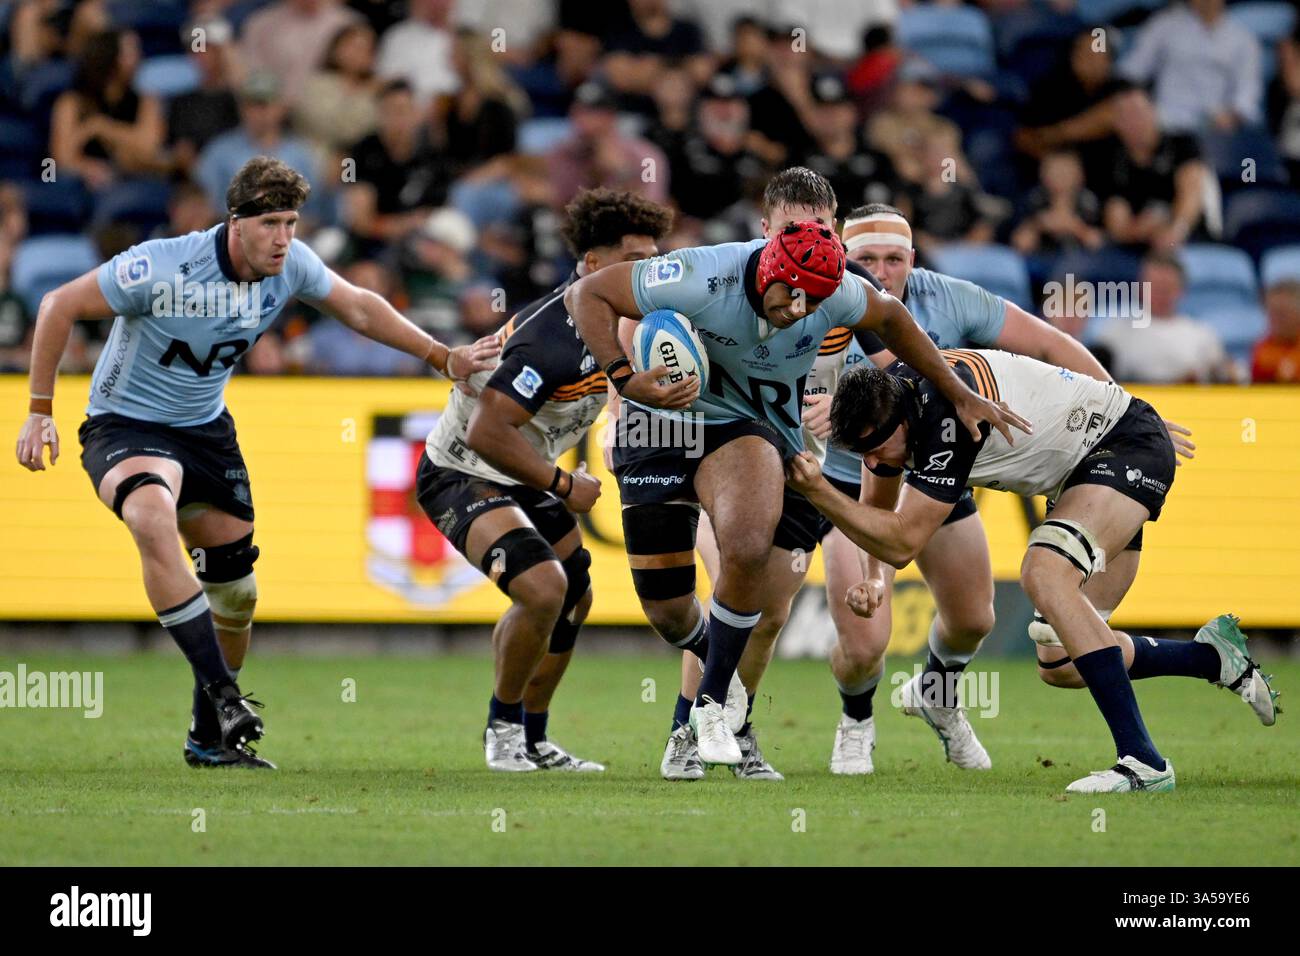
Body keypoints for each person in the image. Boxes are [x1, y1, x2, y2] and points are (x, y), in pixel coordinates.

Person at [14, 156, 498, 769]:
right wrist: (38, 410)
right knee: (151, 515)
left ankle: (208, 739)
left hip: (206, 434)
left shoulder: (291, 265)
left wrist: (440, 355)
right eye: (270, 223)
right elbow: (58, 303)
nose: (284, 238)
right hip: (127, 425)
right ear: (235, 222)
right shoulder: (162, 265)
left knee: (236, 595)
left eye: (292, 222)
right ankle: (225, 697)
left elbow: (358, 307)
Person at [566, 208, 1028, 769]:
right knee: (668, 610)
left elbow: (894, 320)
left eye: (815, 301)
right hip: (664, 424)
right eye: (793, 297)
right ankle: (711, 682)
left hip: (754, 437)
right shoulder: (699, 275)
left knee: (752, 566)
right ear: (767, 257)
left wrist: (955, 390)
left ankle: (713, 713)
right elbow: (587, 295)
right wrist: (622, 381)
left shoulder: (838, 292)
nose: (802, 312)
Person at [788, 354, 1278, 793]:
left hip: (1123, 447)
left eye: (875, 448)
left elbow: (903, 541)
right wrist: (874, 579)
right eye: (862, 455)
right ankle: (1211, 658)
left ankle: (1143, 761)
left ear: (898, 418)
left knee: (1044, 573)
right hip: (1081, 471)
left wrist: (819, 492)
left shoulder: (946, 419)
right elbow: (880, 507)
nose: (873, 461)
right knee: (1061, 661)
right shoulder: (889, 403)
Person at [417, 188, 674, 771]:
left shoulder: (629, 322)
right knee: (542, 587)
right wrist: (561, 485)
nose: (650, 274)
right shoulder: (553, 335)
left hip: (520, 474)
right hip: (462, 469)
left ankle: (534, 737)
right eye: (635, 261)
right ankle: (502, 730)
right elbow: (487, 431)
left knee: (574, 595)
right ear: (590, 264)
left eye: (655, 260)